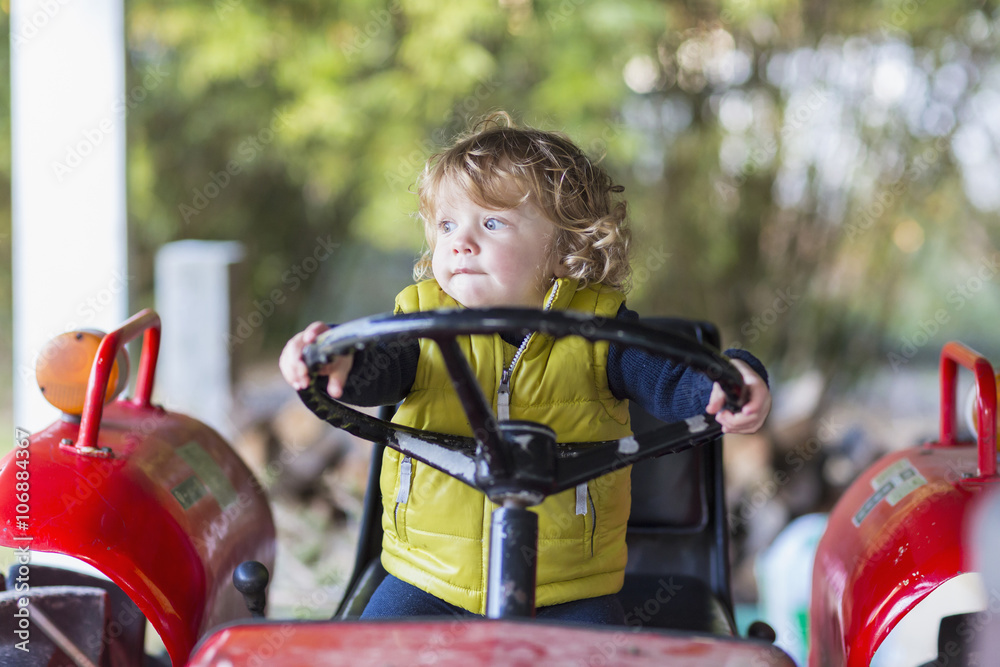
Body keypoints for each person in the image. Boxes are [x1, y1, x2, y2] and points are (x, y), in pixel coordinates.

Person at [279, 112, 772, 624]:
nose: (459, 242)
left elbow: (676, 380)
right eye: (448, 224)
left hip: (568, 590)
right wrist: (338, 359)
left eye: (491, 223)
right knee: (366, 655)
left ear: (565, 248)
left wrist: (727, 380)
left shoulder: (601, 333)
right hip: (426, 578)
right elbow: (375, 369)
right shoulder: (420, 322)